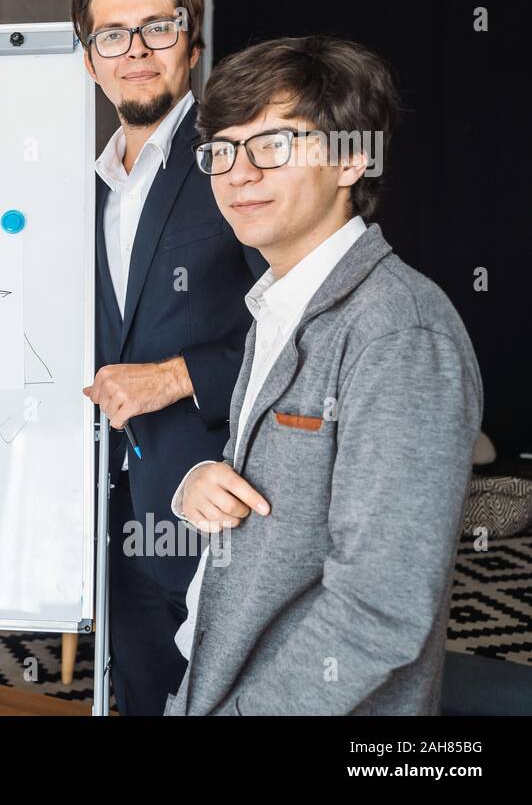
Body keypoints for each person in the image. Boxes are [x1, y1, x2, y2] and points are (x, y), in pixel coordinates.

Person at [164, 36, 482, 715]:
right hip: (212, 679)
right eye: (222, 150)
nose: (238, 174)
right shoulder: (280, 303)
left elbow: (380, 610)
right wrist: (197, 484)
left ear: (352, 159)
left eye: (273, 146)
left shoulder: (400, 333)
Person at [71, 0, 266, 714]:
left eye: (159, 27)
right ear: (90, 60)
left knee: (240, 694)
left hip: (223, 495)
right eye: (113, 36)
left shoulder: (237, 160)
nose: (137, 51)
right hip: (111, 505)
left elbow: (304, 324)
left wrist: (177, 375)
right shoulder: (81, 189)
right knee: (146, 693)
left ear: (193, 43)